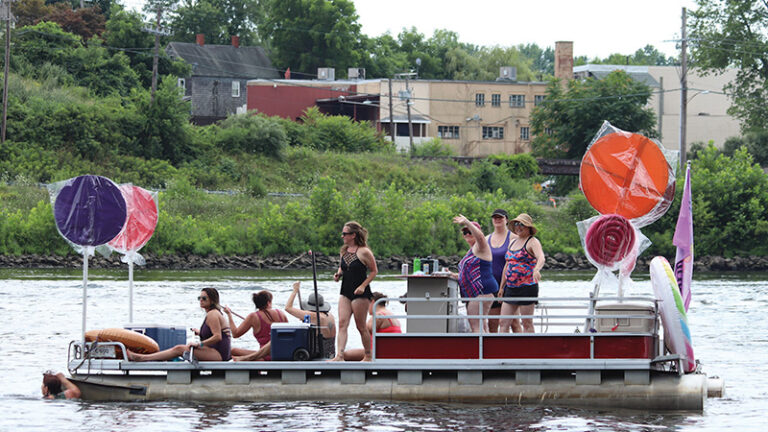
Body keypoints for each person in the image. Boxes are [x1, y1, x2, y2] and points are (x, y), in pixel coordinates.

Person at [129, 288, 232, 361]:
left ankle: (142, 358)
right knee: (180, 348)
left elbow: (217, 337)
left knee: (179, 349)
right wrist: (200, 333)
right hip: (216, 352)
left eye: (204, 298)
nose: (201, 300)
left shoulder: (212, 314)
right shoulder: (214, 313)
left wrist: (199, 344)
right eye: (199, 298)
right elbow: (215, 333)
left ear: (212, 300)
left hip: (219, 354)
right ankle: (151, 357)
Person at [331, 221, 377, 362]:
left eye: (345, 234)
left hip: (360, 293)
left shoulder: (364, 251)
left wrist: (363, 286)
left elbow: (374, 271)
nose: (342, 236)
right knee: (342, 323)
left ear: (353, 235)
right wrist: (338, 274)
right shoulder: (344, 250)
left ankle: (368, 355)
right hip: (346, 290)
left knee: (360, 326)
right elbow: (342, 267)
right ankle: (339, 355)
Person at [499, 213, 546, 333]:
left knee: (526, 322)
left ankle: (530, 350)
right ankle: (501, 349)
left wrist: (536, 269)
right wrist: (501, 287)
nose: (518, 227)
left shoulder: (532, 242)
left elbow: (541, 257)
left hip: (527, 287)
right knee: (503, 322)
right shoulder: (512, 242)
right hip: (510, 288)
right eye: (516, 224)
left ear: (528, 227)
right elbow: (507, 265)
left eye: (522, 225)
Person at [453, 214, 499, 333]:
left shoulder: (481, 246)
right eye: (465, 233)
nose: (467, 234)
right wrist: (452, 275)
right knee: (482, 326)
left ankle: (479, 351)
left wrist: (467, 222)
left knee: (476, 327)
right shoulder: (471, 251)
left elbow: (481, 237)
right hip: (479, 293)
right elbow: (469, 274)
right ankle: (486, 351)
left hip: (482, 291)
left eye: (470, 231)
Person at [226, 289, 288, 361]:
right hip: (282, 353)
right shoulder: (281, 314)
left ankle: (255, 366)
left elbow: (235, 334)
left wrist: (229, 315)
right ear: (268, 303)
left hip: (265, 356)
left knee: (232, 351)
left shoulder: (253, 316)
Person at [284, 281, 336, 359]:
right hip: (331, 353)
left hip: (319, 354)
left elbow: (288, 308)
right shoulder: (329, 315)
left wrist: (295, 290)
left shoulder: (314, 316)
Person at [343, 292, 401, 361]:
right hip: (391, 351)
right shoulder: (390, 314)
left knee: (344, 355)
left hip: (378, 352)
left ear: (372, 302)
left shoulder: (378, 315)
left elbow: (364, 331)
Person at [486, 208, 511, 333]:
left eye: (500, 217)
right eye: (495, 217)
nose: (497, 220)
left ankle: (521, 349)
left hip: (510, 285)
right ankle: (494, 351)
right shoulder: (486, 239)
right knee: (493, 322)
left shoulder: (514, 238)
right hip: (492, 286)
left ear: (506, 220)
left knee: (512, 322)